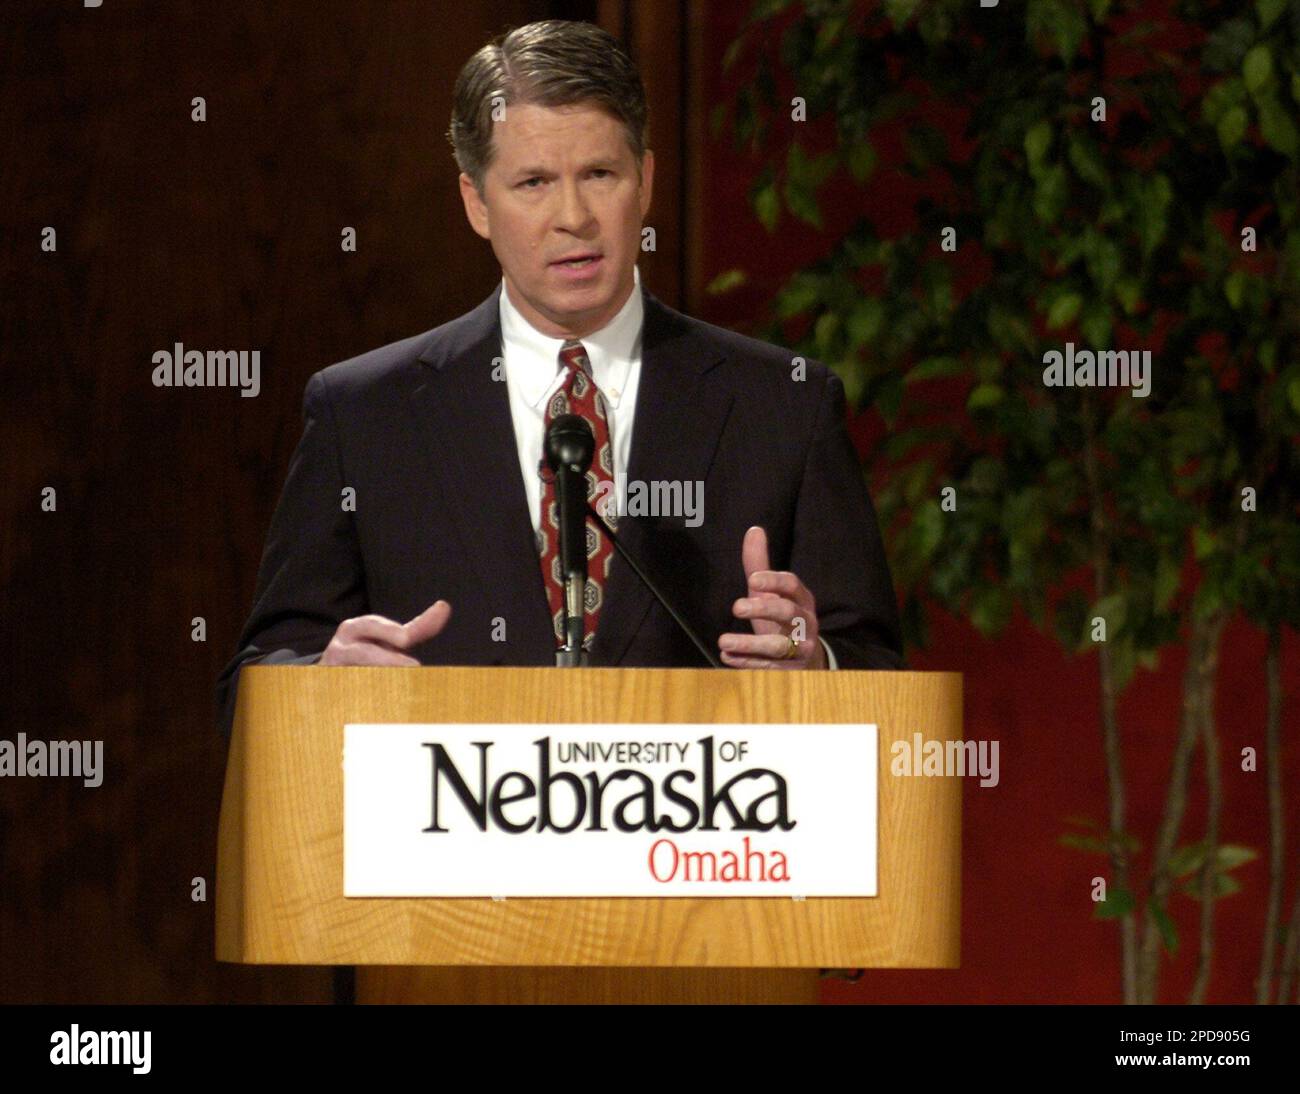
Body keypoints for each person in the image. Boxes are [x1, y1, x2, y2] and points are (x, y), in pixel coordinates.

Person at [215, 19, 901, 738]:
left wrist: (816, 668)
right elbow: (253, 682)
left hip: (695, 845)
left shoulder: (783, 405)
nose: (572, 217)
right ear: (477, 203)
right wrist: (322, 684)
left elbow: (879, 673)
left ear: (647, 182)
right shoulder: (365, 414)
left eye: (599, 175)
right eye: (534, 183)